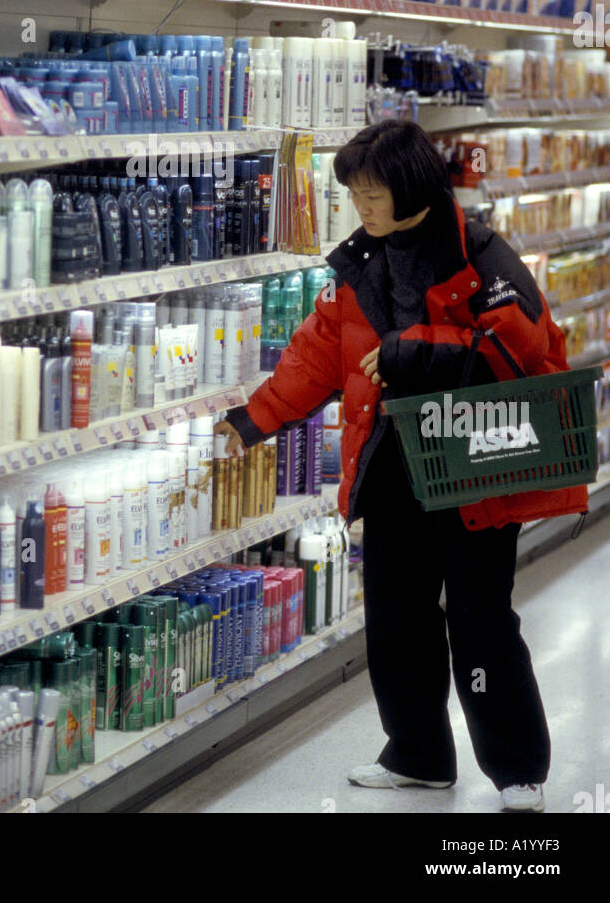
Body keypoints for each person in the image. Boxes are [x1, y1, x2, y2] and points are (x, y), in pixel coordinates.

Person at [216, 121, 588, 813]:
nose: (359, 204)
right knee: (396, 621)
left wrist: (408, 352)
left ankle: (516, 768)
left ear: (410, 186)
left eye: (371, 191)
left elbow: (519, 350)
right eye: (352, 191)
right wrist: (251, 422)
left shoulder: (478, 253)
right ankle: (416, 755)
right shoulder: (360, 263)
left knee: (479, 619)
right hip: (391, 470)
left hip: (472, 467)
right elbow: (315, 356)